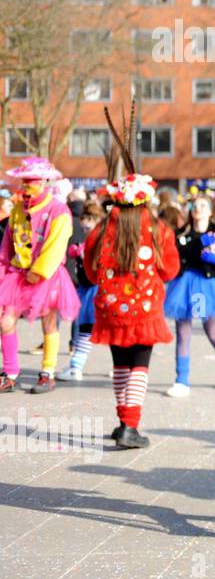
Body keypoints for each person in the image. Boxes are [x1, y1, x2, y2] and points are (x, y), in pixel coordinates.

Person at [82, 120, 181, 448]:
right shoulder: (157, 229)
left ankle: (123, 421)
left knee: (120, 365)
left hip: (110, 306)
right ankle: (130, 425)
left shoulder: (101, 229)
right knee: (139, 366)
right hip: (145, 307)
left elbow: (90, 269)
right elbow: (170, 269)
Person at [0, 158, 82, 394]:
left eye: (32, 182)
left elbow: (56, 245)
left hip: (46, 277)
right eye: (24, 182)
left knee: (48, 323)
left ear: (45, 182)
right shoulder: (17, 209)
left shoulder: (58, 210)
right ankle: (10, 372)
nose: (26, 187)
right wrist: (3, 269)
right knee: (6, 321)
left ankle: (47, 373)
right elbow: (7, 243)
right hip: (16, 275)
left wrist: (39, 271)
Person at [163, 195, 215, 397]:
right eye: (195, 206)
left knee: (213, 331)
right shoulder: (182, 234)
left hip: (208, 288)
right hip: (185, 287)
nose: (198, 209)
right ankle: (181, 380)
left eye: (203, 205)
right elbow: (177, 254)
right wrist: (198, 244)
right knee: (183, 332)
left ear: (210, 211)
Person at [57, 200, 104, 382]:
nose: (85, 223)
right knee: (85, 329)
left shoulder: (99, 243)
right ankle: (76, 366)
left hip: (96, 291)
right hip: (86, 290)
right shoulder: (84, 242)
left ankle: (122, 366)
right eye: (84, 218)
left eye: (90, 219)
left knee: (99, 330)